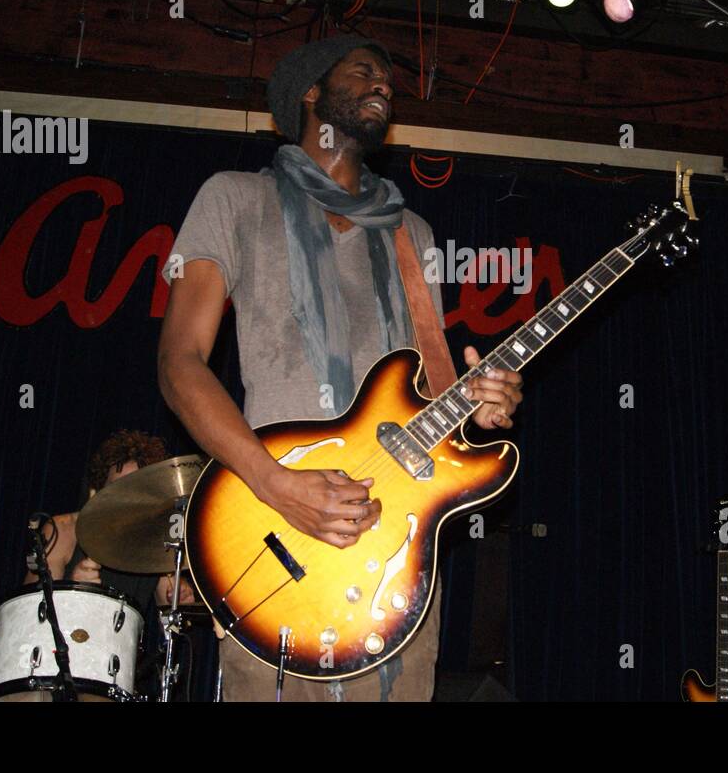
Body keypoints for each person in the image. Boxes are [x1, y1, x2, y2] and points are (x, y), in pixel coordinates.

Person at [157, 34, 524, 701]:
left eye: (389, 77)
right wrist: (273, 483)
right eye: (365, 71)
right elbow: (179, 363)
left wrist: (479, 406)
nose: (384, 84)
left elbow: (433, 389)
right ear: (310, 93)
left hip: (397, 554)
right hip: (274, 539)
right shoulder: (234, 198)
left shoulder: (412, 234)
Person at [24, 429, 194, 610]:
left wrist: (179, 595)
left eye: (135, 489)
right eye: (116, 488)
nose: (124, 499)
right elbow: (29, 611)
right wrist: (71, 590)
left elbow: (168, 604)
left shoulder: (156, 541)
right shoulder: (63, 531)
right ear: (99, 490)